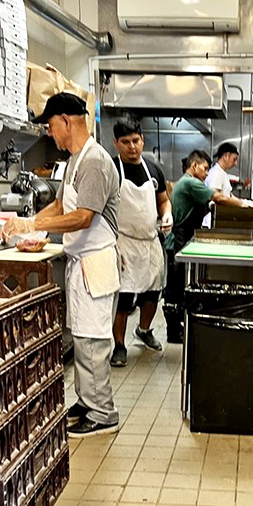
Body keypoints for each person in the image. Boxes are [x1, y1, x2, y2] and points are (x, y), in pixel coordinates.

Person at [0, 92, 120, 436]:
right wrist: (25, 224)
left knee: (93, 341)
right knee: (82, 338)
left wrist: (35, 226)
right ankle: (87, 401)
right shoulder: (73, 161)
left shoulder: (95, 160)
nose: (50, 134)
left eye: (51, 126)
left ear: (67, 121)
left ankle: (103, 413)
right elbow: (58, 205)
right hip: (81, 264)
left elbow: (83, 217)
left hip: (94, 263)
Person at [164, 149, 253, 343]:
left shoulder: (190, 184)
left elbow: (208, 205)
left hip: (186, 237)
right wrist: (244, 205)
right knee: (175, 288)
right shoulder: (191, 182)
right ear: (194, 166)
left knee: (179, 285)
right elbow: (218, 197)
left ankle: (178, 327)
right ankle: (173, 332)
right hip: (179, 239)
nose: (207, 174)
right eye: (205, 169)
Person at [110, 116, 173, 367]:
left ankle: (144, 330)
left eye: (136, 140)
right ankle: (119, 346)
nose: (132, 146)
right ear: (116, 143)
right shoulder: (112, 169)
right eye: (125, 142)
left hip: (150, 241)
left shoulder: (153, 169)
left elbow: (163, 201)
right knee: (124, 299)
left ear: (142, 140)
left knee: (153, 293)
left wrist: (167, 215)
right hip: (124, 242)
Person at [203, 141, 239, 227]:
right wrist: (240, 204)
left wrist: (245, 203)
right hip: (211, 222)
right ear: (226, 156)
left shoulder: (223, 173)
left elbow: (228, 195)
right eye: (234, 159)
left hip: (219, 219)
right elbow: (216, 197)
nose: (236, 163)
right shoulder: (216, 173)